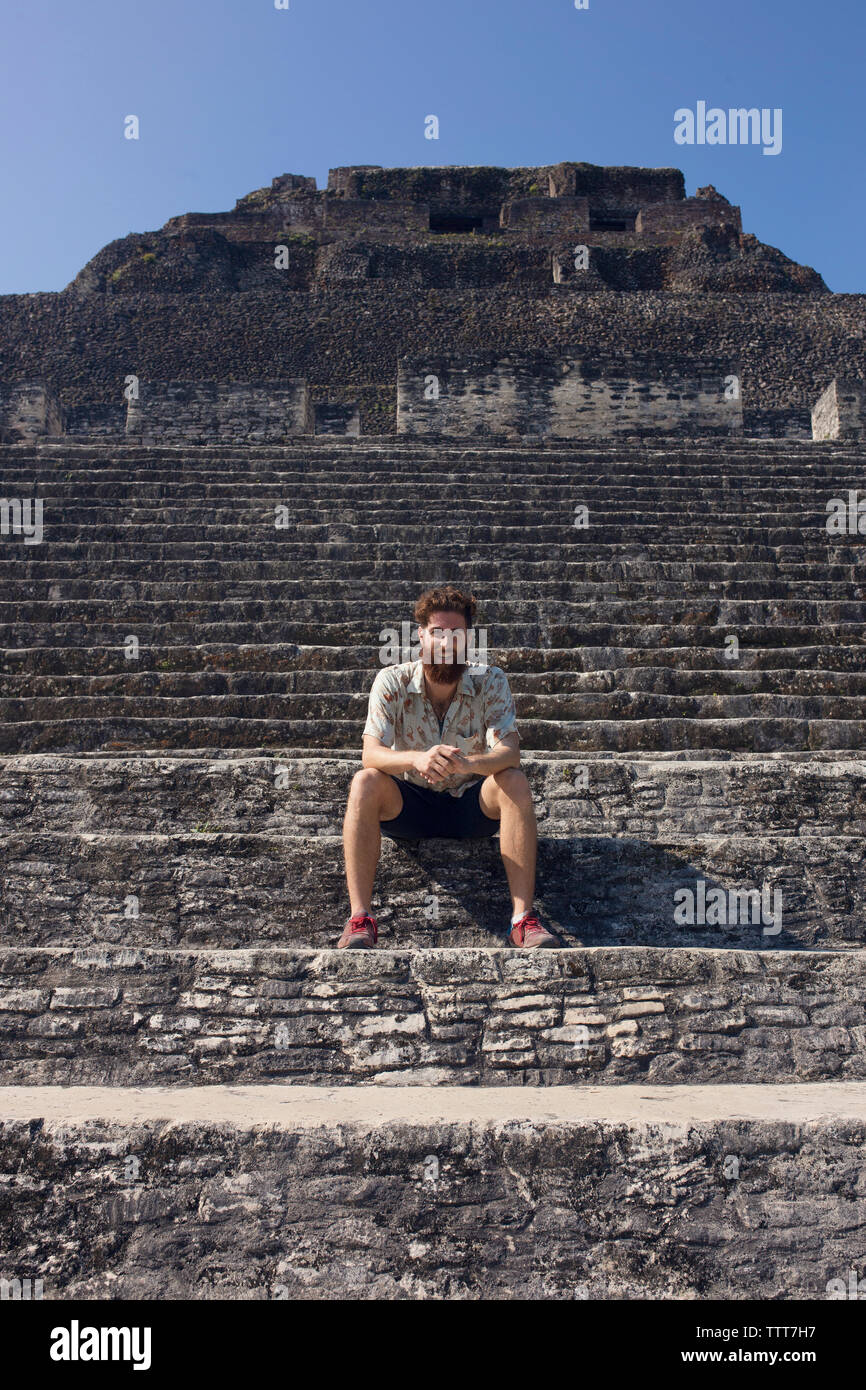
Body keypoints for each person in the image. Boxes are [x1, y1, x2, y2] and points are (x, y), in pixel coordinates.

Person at [338, 584, 559, 949]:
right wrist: (416, 758)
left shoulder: (491, 680)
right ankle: (360, 918)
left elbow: (510, 752)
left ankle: (523, 919)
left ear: (468, 639)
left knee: (514, 780)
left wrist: (467, 763)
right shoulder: (391, 680)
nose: (446, 643)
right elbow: (371, 754)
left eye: (456, 634)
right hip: (409, 803)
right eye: (437, 633)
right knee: (364, 782)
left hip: (468, 803)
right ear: (421, 635)